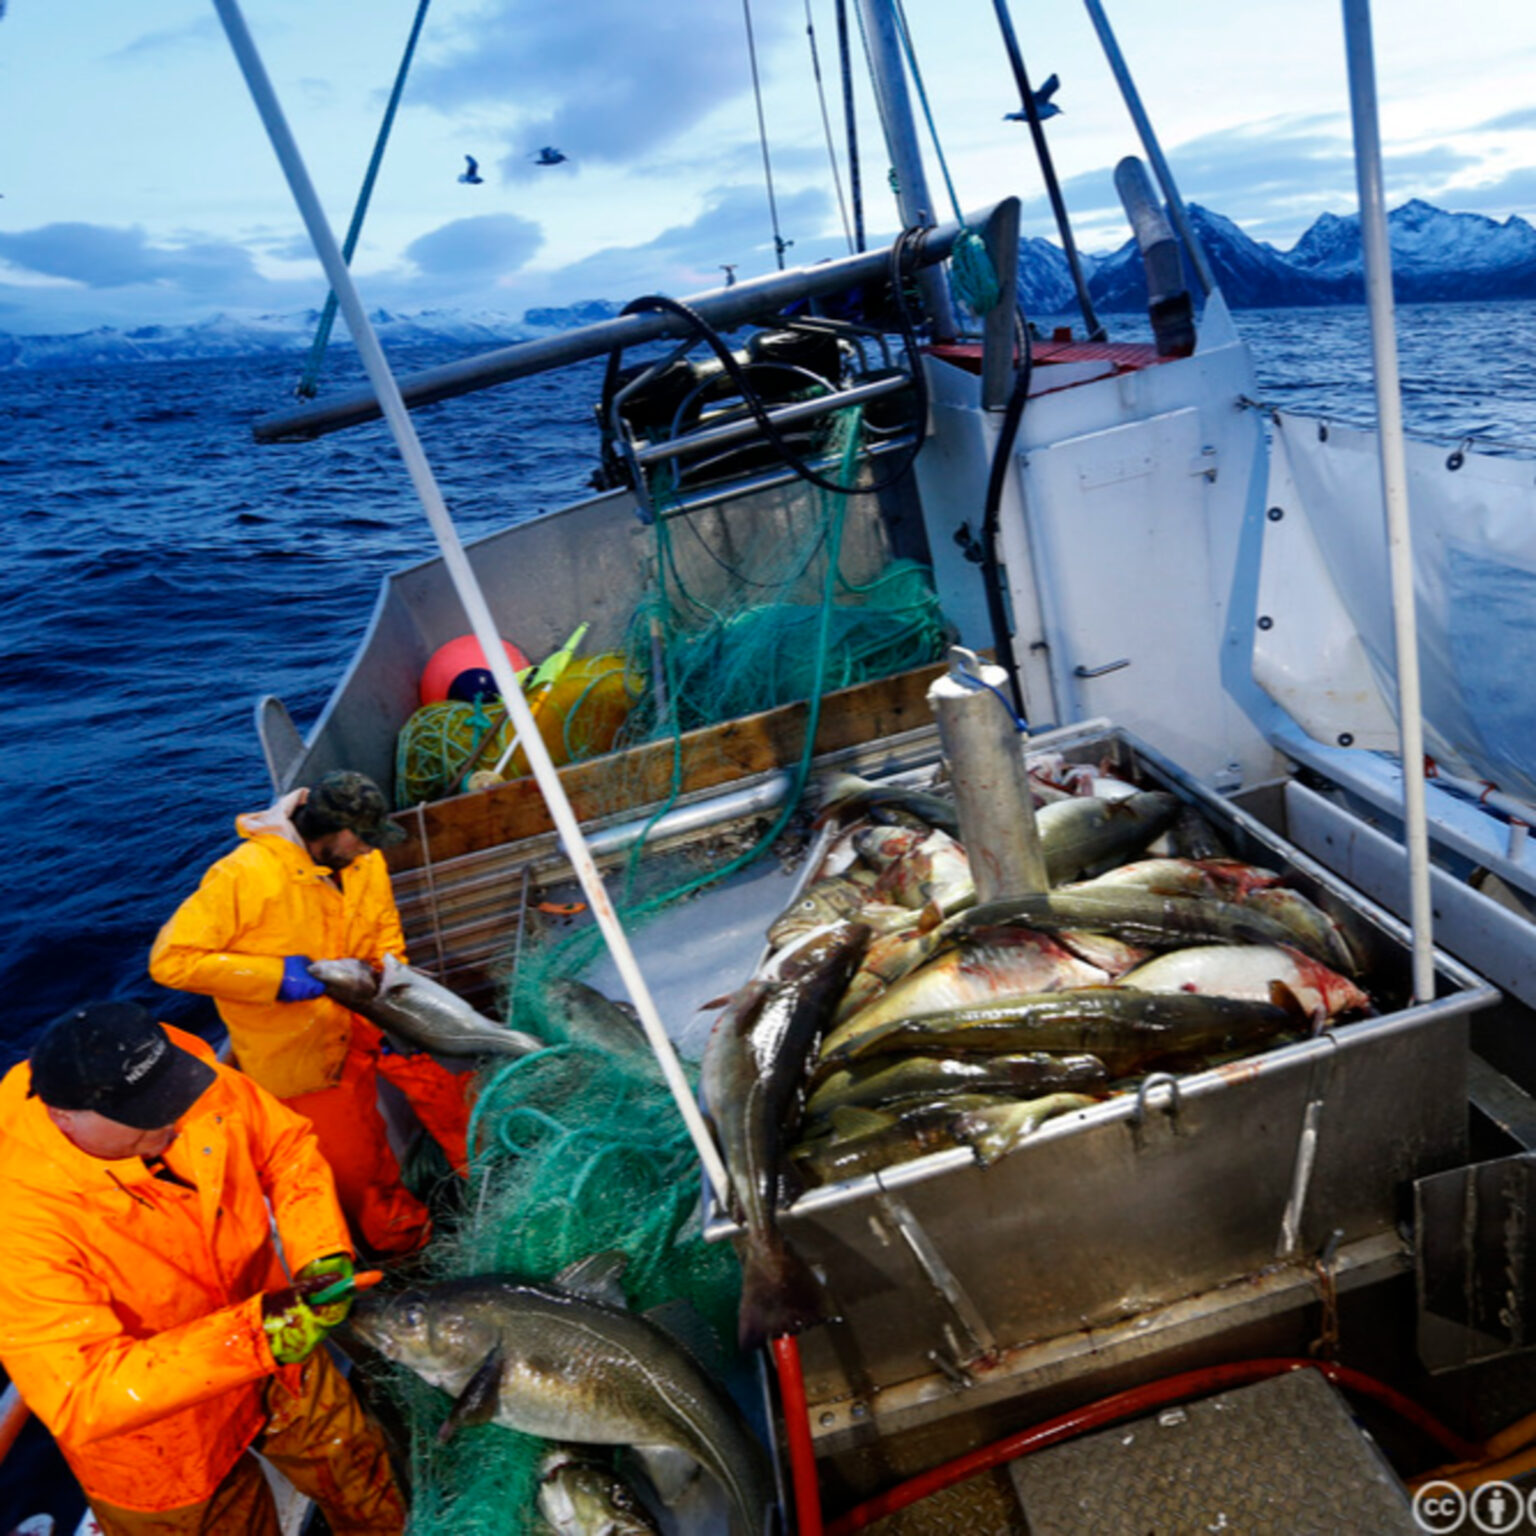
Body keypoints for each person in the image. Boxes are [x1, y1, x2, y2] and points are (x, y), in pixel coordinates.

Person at [0, 1001, 407, 1535]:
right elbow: (82, 1391)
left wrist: (320, 1253)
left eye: (171, 1096)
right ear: (65, 1117)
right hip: (163, 1442)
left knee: (359, 1470)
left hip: (279, 1340)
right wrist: (254, 1338)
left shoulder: (172, 1063)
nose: (173, 1117)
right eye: (147, 1112)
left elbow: (285, 1147)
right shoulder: (18, 1218)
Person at [149, 770, 471, 1261]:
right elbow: (170, 961)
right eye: (363, 840)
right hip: (301, 1051)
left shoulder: (366, 862)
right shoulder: (244, 874)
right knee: (360, 1170)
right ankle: (410, 1248)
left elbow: (384, 929)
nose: (369, 851)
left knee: (449, 1080)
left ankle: (484, 1172)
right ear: (335, 833)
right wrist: (276, 978)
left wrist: (395, 989)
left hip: (371, 1011)